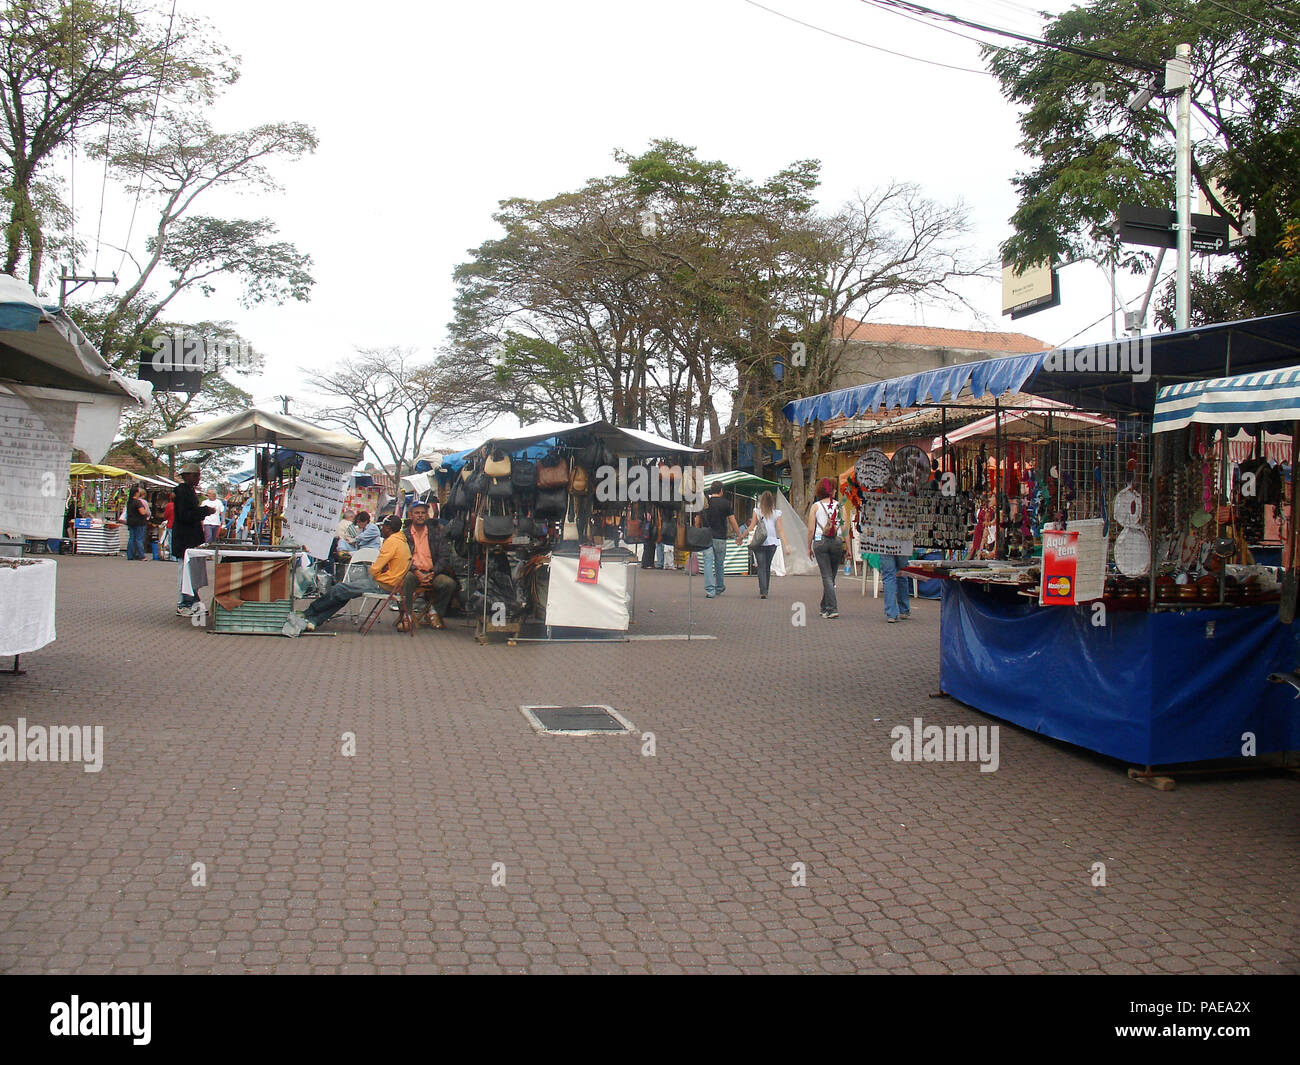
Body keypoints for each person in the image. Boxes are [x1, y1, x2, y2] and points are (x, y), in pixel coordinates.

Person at [282, 515, 409, 636]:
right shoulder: (401, 541)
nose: (381, 530)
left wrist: (374, 573)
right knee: (344, 593)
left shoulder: (392, 542)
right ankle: (315, 620)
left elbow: (376, 568)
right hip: (392, 583)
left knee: (340, 589)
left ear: (388, 528)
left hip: (384, 584)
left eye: (383, 527)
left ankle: (309, 612)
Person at [402, 500, 457, 630]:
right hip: (413, 573)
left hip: (432, 573)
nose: (420, 515)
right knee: (406, 579)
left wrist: (434, 572)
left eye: (423, 513)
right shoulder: (404, 535)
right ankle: (407, 615)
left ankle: (434, 612)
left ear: (427, 515)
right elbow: (402, 558)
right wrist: (416, 572)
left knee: (449, 583)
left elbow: (444, 556)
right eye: (417, 513)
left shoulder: (437, 533)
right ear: (410, 515)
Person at [173, 462, 215, 616]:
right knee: (186, 573)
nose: (198, 478)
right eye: (195, 475)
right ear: (188, 476)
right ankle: (184, 603)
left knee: (192, 573)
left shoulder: (189, 492)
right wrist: (204, 511)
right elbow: (185, 515)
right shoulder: (183, 493)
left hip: (190, 539)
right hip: (185, 540)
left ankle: (193, 601)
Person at [737, 490, 790, 599]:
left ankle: (763, 590)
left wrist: (742, 536)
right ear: (772, 501)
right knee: (767, 566)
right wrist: (786, 544)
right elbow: (780, 530)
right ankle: (766, 589)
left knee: (761, 566)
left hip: (760, 542)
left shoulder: (757, 511)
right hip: (772, 543)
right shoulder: (777, 513)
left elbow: (751, 527)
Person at [806, 477, 846, 619]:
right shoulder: (840, 506)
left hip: (820, 541)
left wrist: (809, 546)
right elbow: (844, 528)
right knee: (831, 576)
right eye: (834, 488)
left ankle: (831, 607)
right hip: (836, 542)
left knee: (827, 576)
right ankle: (826, 607)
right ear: (831, 491)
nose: (836, 491)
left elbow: (811, 529)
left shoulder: (815, 506)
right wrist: (849, 549)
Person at [699, 481, 740, 598]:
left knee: (707, 563)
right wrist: (739, 535)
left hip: (706, 537)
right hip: (720, 537)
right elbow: (732, 520)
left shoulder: (706, 503)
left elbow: (698, 519)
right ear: (721, 491)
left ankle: (710, 590)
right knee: (719, 564)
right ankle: (720, 587)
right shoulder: (726, 503)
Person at [124, 485, 150, 561]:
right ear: (136, 493)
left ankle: (130, 555)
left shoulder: (129, 502)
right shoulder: (138, 502)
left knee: (131, 538)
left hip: (131, 522)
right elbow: (142, 512)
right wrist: (146, 512)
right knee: (139, 539)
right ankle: (141, 555)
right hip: (139, 522)